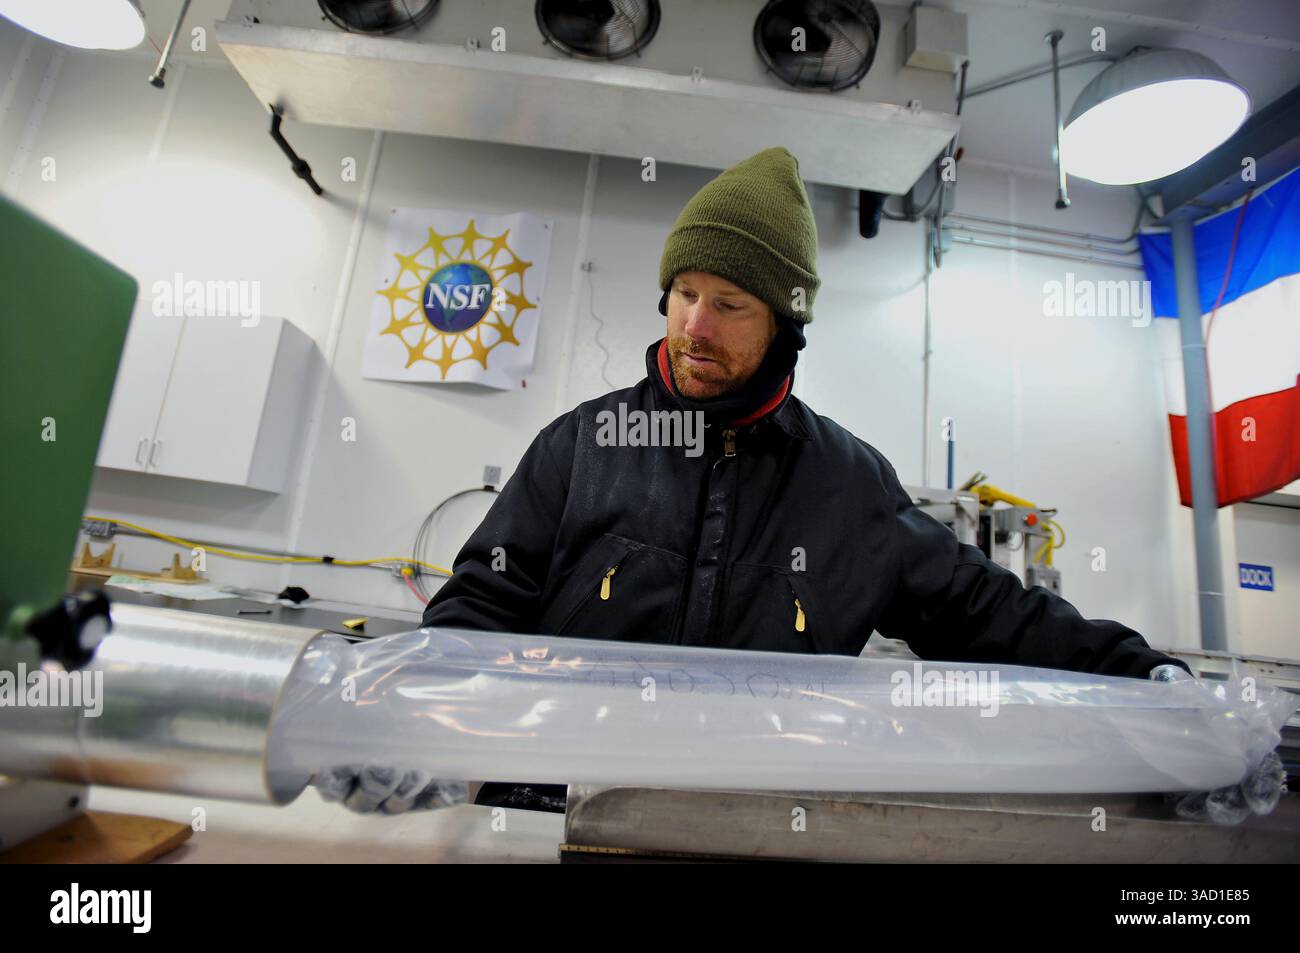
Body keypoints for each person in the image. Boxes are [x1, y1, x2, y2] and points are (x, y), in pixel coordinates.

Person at [322, 146, 1196, 817]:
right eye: (684, 292)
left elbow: (992, 616)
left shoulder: (849, 487)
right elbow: (478, 607)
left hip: (752, 834)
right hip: (543, 821)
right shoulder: (582, 445)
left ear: (784, 325)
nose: (694, 325)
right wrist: (406, 720)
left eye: (731, 303)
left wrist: (1152, 686)